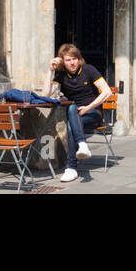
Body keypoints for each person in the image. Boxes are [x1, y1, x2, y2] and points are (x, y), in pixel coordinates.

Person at [44, 43, 112, 182]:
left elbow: (107, 91)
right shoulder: (61, 75)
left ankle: (71, 168)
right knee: (72, 109)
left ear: (79, 59)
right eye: (68, 60)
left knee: (71, 119)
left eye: (74, 58)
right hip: (75, 115)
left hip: (93, 114)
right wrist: (50, 71)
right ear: (63, 62)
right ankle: (82, 145)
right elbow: (46, 95)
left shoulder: (89, 70)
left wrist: (88, 107)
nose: (72, 62)